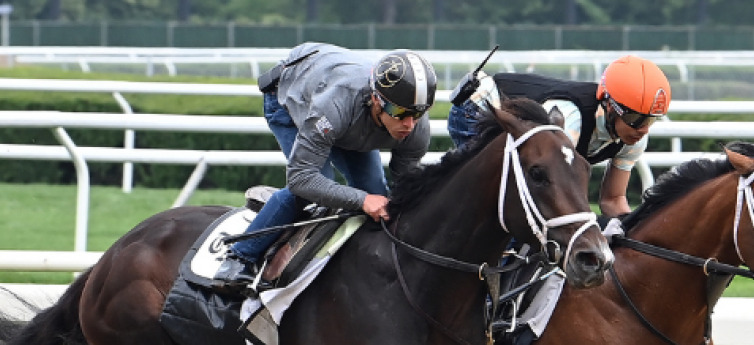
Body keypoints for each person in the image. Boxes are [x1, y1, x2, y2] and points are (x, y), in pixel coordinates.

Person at [212, 43, 438, 290]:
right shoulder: (335, 107)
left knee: (377, 192)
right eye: (400, 113)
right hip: (292, 97)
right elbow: (302, 179)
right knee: (313, 190)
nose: (409, 124)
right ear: (376, 99)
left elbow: (404, 188)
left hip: (345, 116)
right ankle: (240, 256)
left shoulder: (416, 128)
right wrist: (362, 200)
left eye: (418, 114)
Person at [447, 55, 671, 218]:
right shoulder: (568, 117)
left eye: (650, 119)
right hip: (478, 106)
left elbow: (613, 200)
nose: (643, 129)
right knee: (507, 206)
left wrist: (630, 230)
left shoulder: (635, 137)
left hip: (521, 128)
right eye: (635, 118)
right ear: (610, 106)